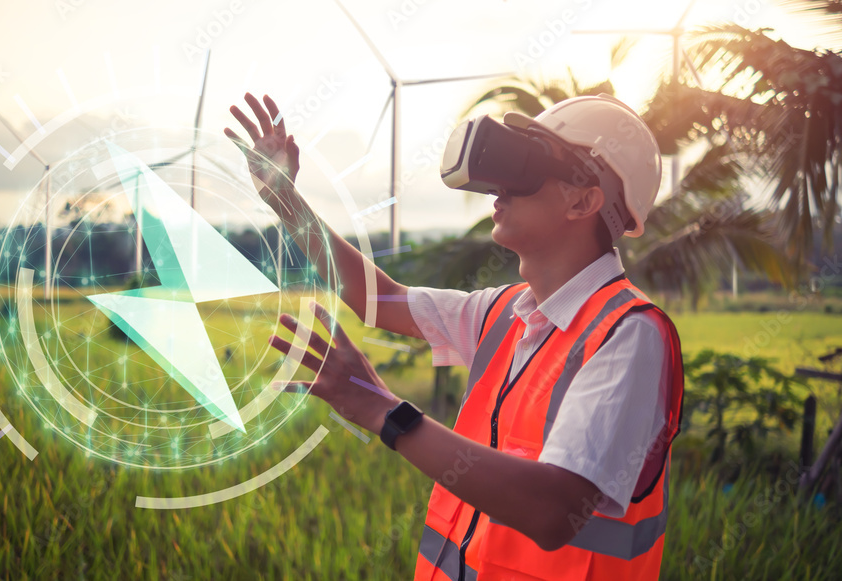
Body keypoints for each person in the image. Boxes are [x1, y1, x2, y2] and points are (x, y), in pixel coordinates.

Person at [225, 91, 683, 580]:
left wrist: (384, 411)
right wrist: (284, 199)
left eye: (526, 166)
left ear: (583, 200)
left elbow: (553, 510)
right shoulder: (505, 314)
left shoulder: (629, 335)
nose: (498, 190)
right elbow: (378, 299)